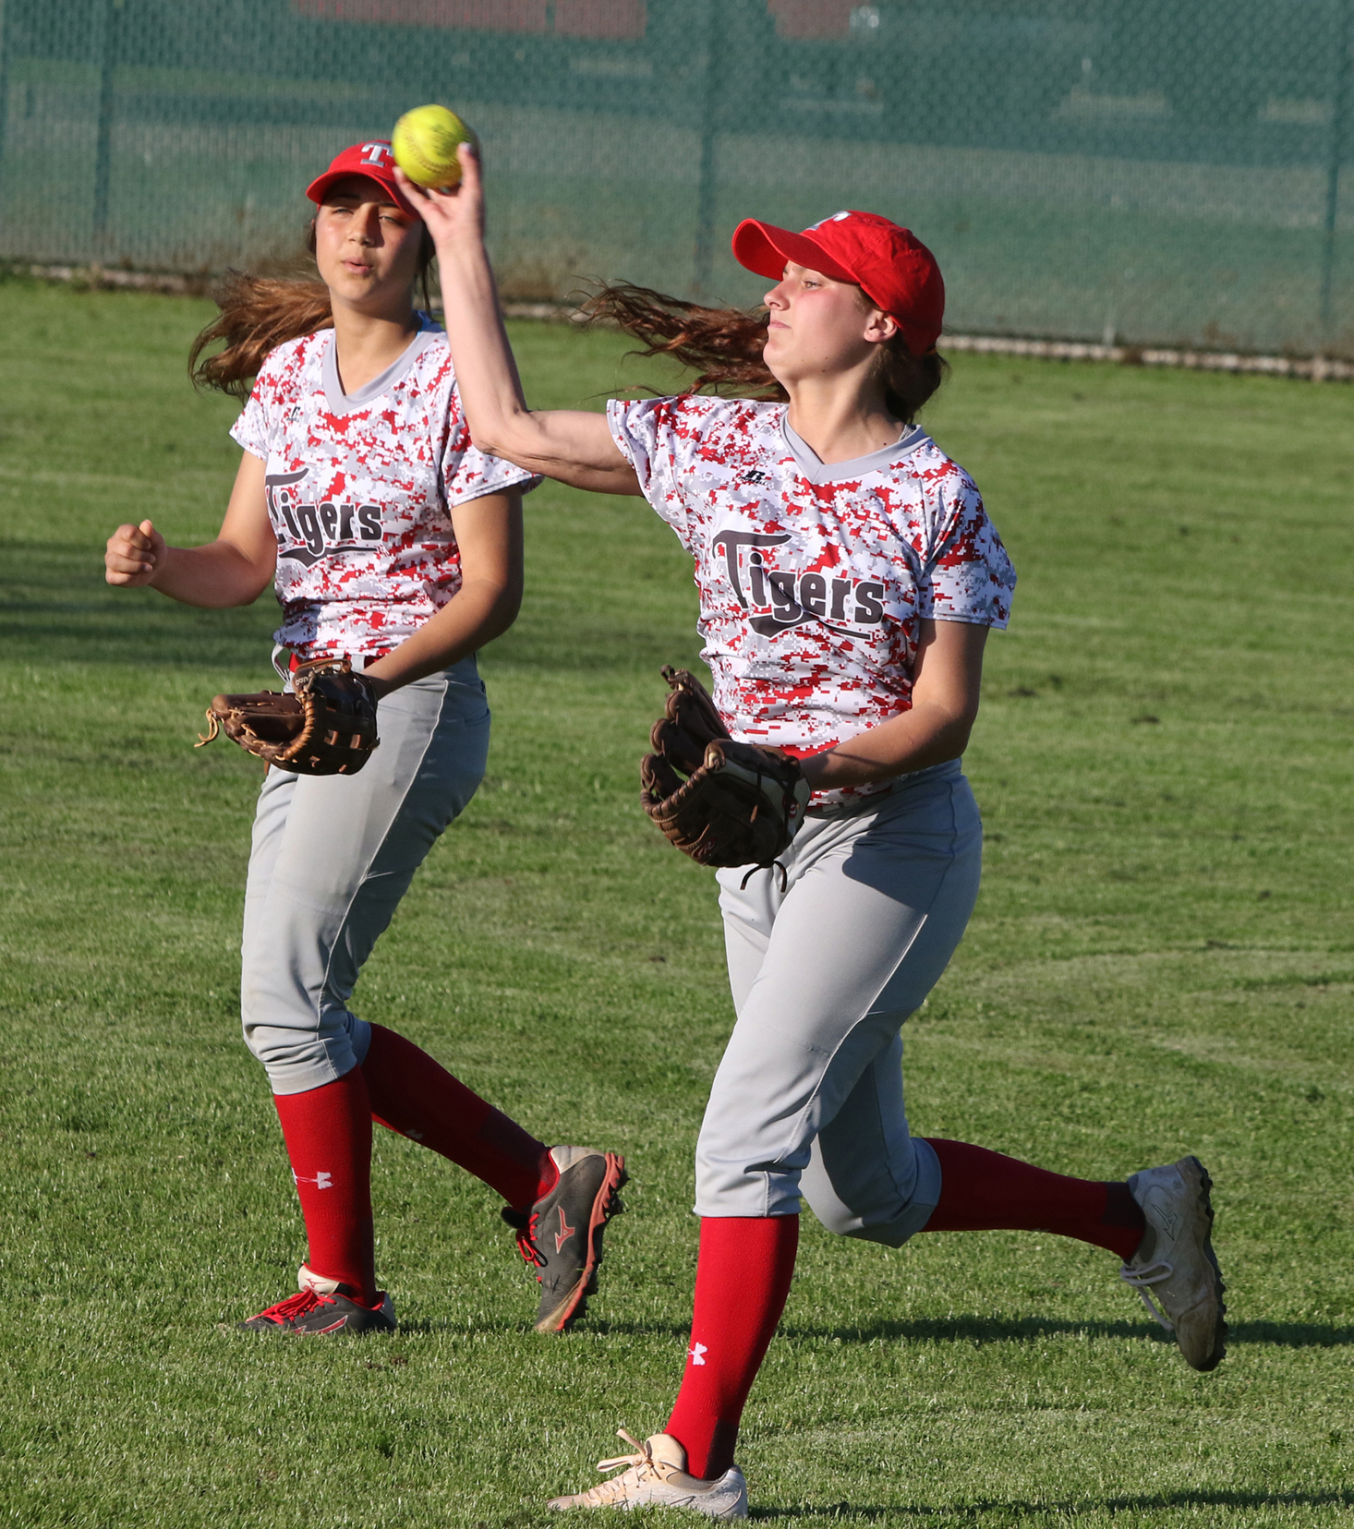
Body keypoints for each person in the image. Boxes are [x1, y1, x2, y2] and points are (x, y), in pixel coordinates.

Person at [410, 146, 1226, 1517]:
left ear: (881, 324)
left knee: (742, 1133)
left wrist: (813, 762)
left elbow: (944, 714)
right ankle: (1133, 1216)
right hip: (758, 847)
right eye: (780, 276)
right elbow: (496, 424)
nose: (776, 296)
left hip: (887, 845)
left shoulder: (934, 497)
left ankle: (695, 1464)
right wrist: (460, 236)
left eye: (808, 278)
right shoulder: (711, 442)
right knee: (869, 1192)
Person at [103, 140, 625, 1338]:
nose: (357, 230)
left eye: (385, 213)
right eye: (340, 208)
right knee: (287, 1003)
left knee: (289, 998)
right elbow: (242, 564)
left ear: (422, 238)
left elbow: (489, 589)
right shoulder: (288, 376)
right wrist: (158, 565)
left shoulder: (460, 378)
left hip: (410, 705)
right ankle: (545, 1183)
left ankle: (345, 1286)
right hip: (314, 715)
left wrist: (365, 680)